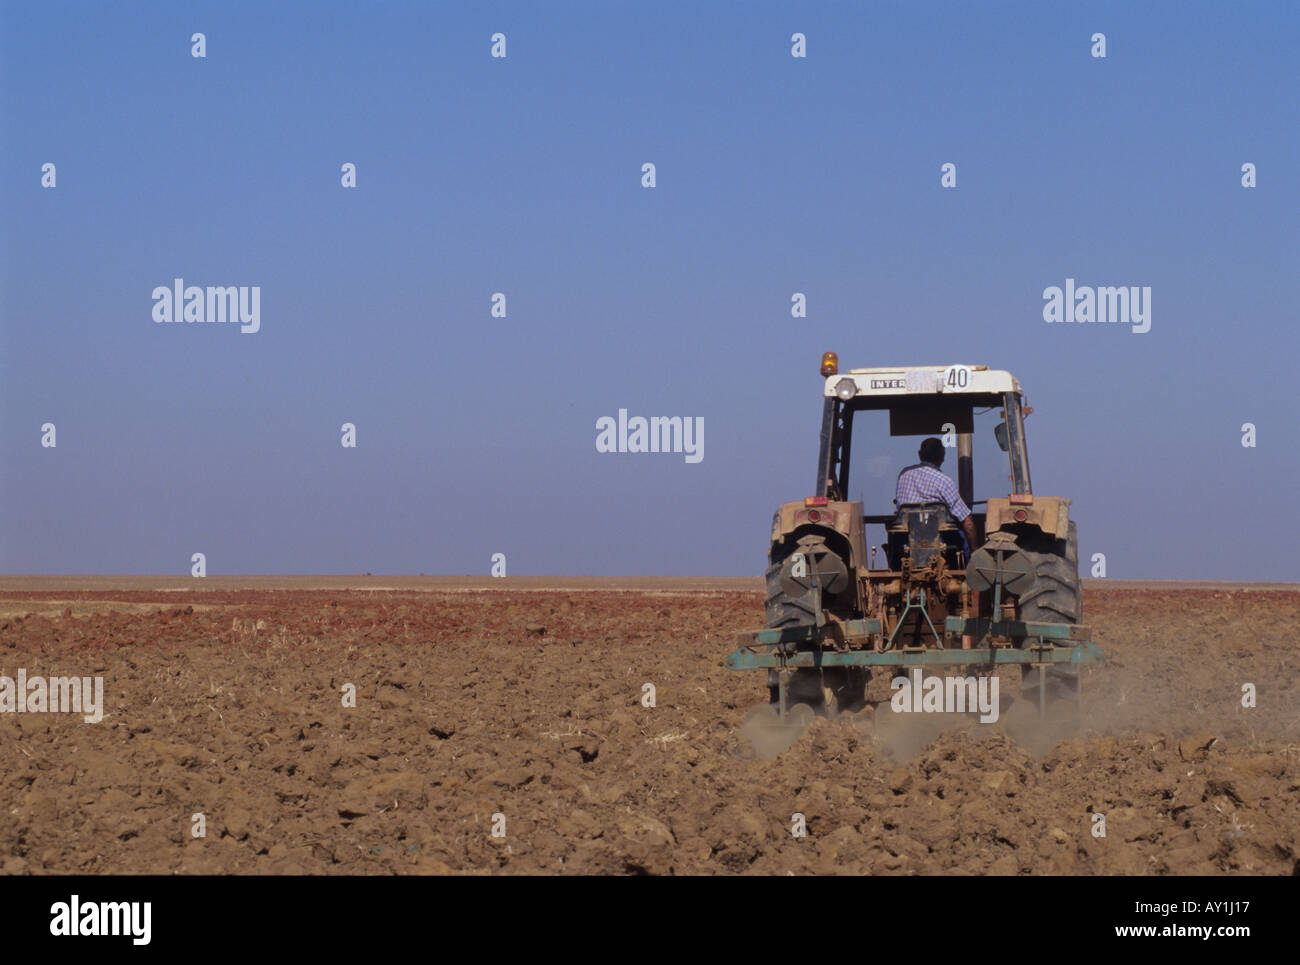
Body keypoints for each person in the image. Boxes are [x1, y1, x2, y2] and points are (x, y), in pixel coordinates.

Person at [894, 437, 979, 553]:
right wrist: (975, 552)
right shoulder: (944, 481)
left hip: (906, 542)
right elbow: (967, 522)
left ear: (919, 455)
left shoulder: (904, 475)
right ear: (942, 457)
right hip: (940, 543)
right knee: (964, 543)